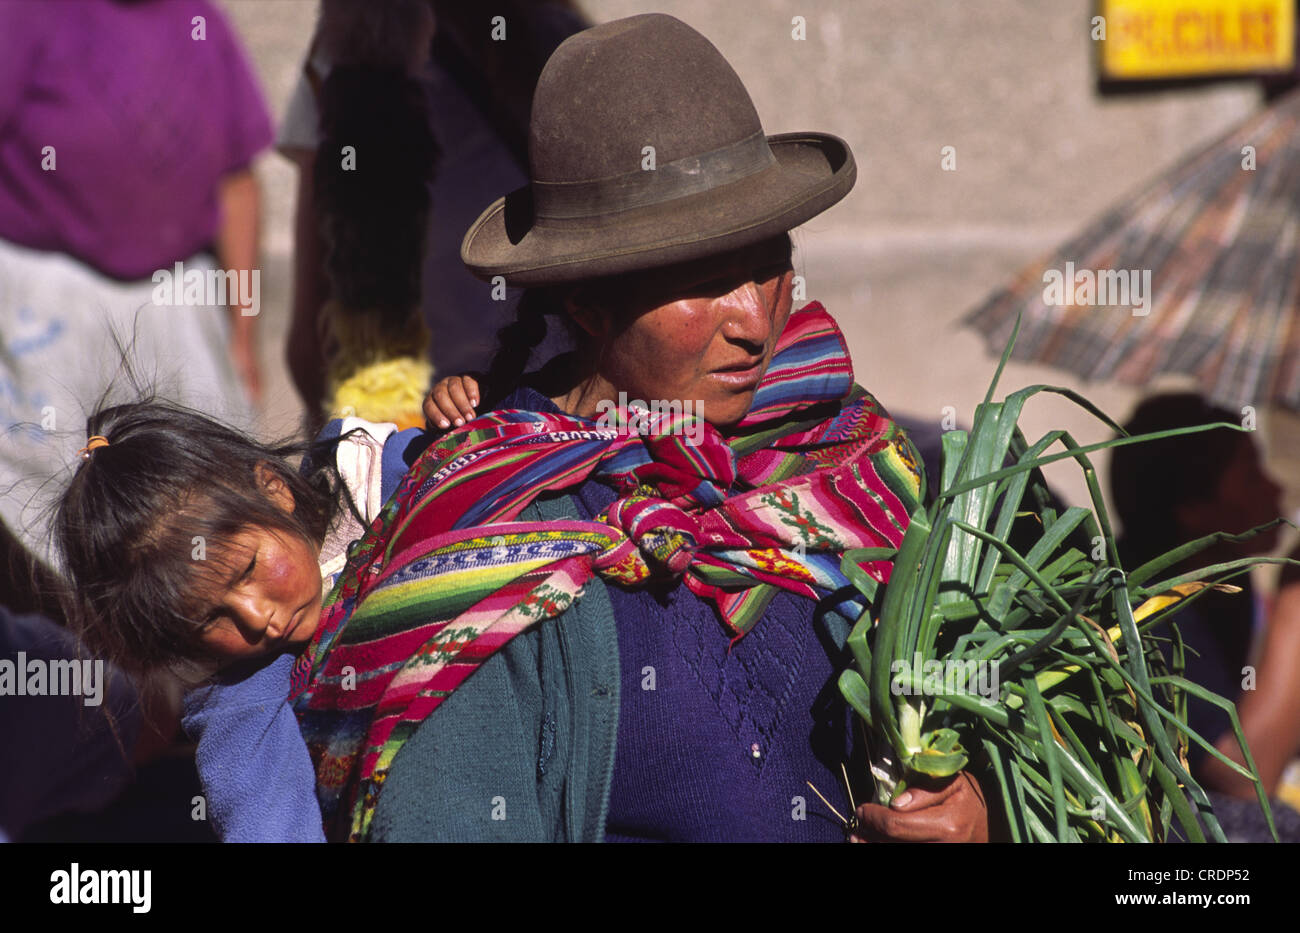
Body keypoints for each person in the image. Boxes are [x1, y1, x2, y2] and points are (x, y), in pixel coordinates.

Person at [290, 14, 990, 843]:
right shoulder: (493, 550)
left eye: (769, 266)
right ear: (585, 303)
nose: (754, 321)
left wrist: (980, 806)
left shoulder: (850, 463)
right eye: (703, 283)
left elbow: (1005, 714)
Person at [0, 0, 272, 555]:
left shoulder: (197, 22)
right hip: (47, 306)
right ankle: (68, 637)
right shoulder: (23, 16)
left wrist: (243, 336)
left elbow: (237, 181)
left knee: (206, 503)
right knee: (56, 511)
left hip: (179, 296)